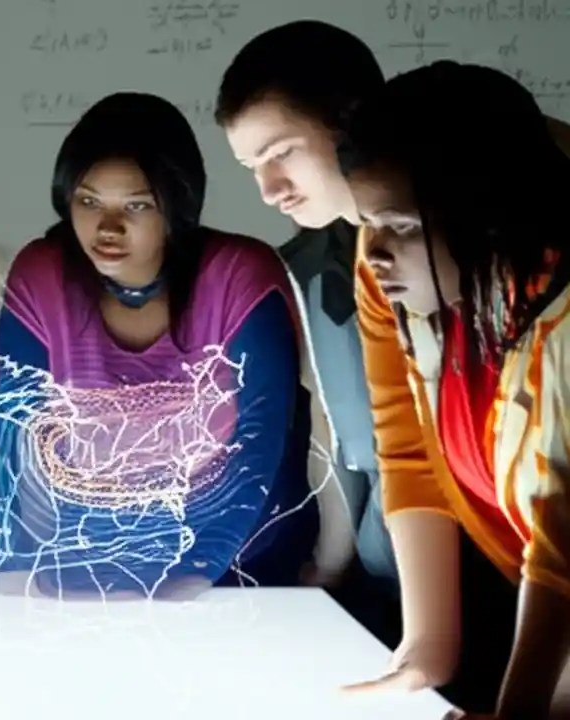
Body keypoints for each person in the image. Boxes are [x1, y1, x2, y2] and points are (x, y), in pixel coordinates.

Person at [0, 92, 317, 599]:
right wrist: (17, 560)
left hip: (236, 561)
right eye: (88, 201)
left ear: (176, 205)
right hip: (85, 554)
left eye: (137, 205)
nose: (107, 227)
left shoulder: (239, 274)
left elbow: (262, 443)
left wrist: (194, 573)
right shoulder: (42, 273)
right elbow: (7, 431)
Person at [336, 61, 570, 720]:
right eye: (367, 223)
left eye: (402, 226)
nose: (375, 252)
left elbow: (562, 547)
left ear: (485, 213)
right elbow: (407, 448)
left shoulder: (561, 324)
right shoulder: (410, 276)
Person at [215, 20, 400, 634]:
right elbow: (339, 440)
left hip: (503, 588)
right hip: (386, 586)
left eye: (281, 154)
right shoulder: (308, 270)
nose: (269, 190)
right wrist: (330, 566)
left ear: (349, 121)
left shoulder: (458, 256)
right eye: (251, 167)